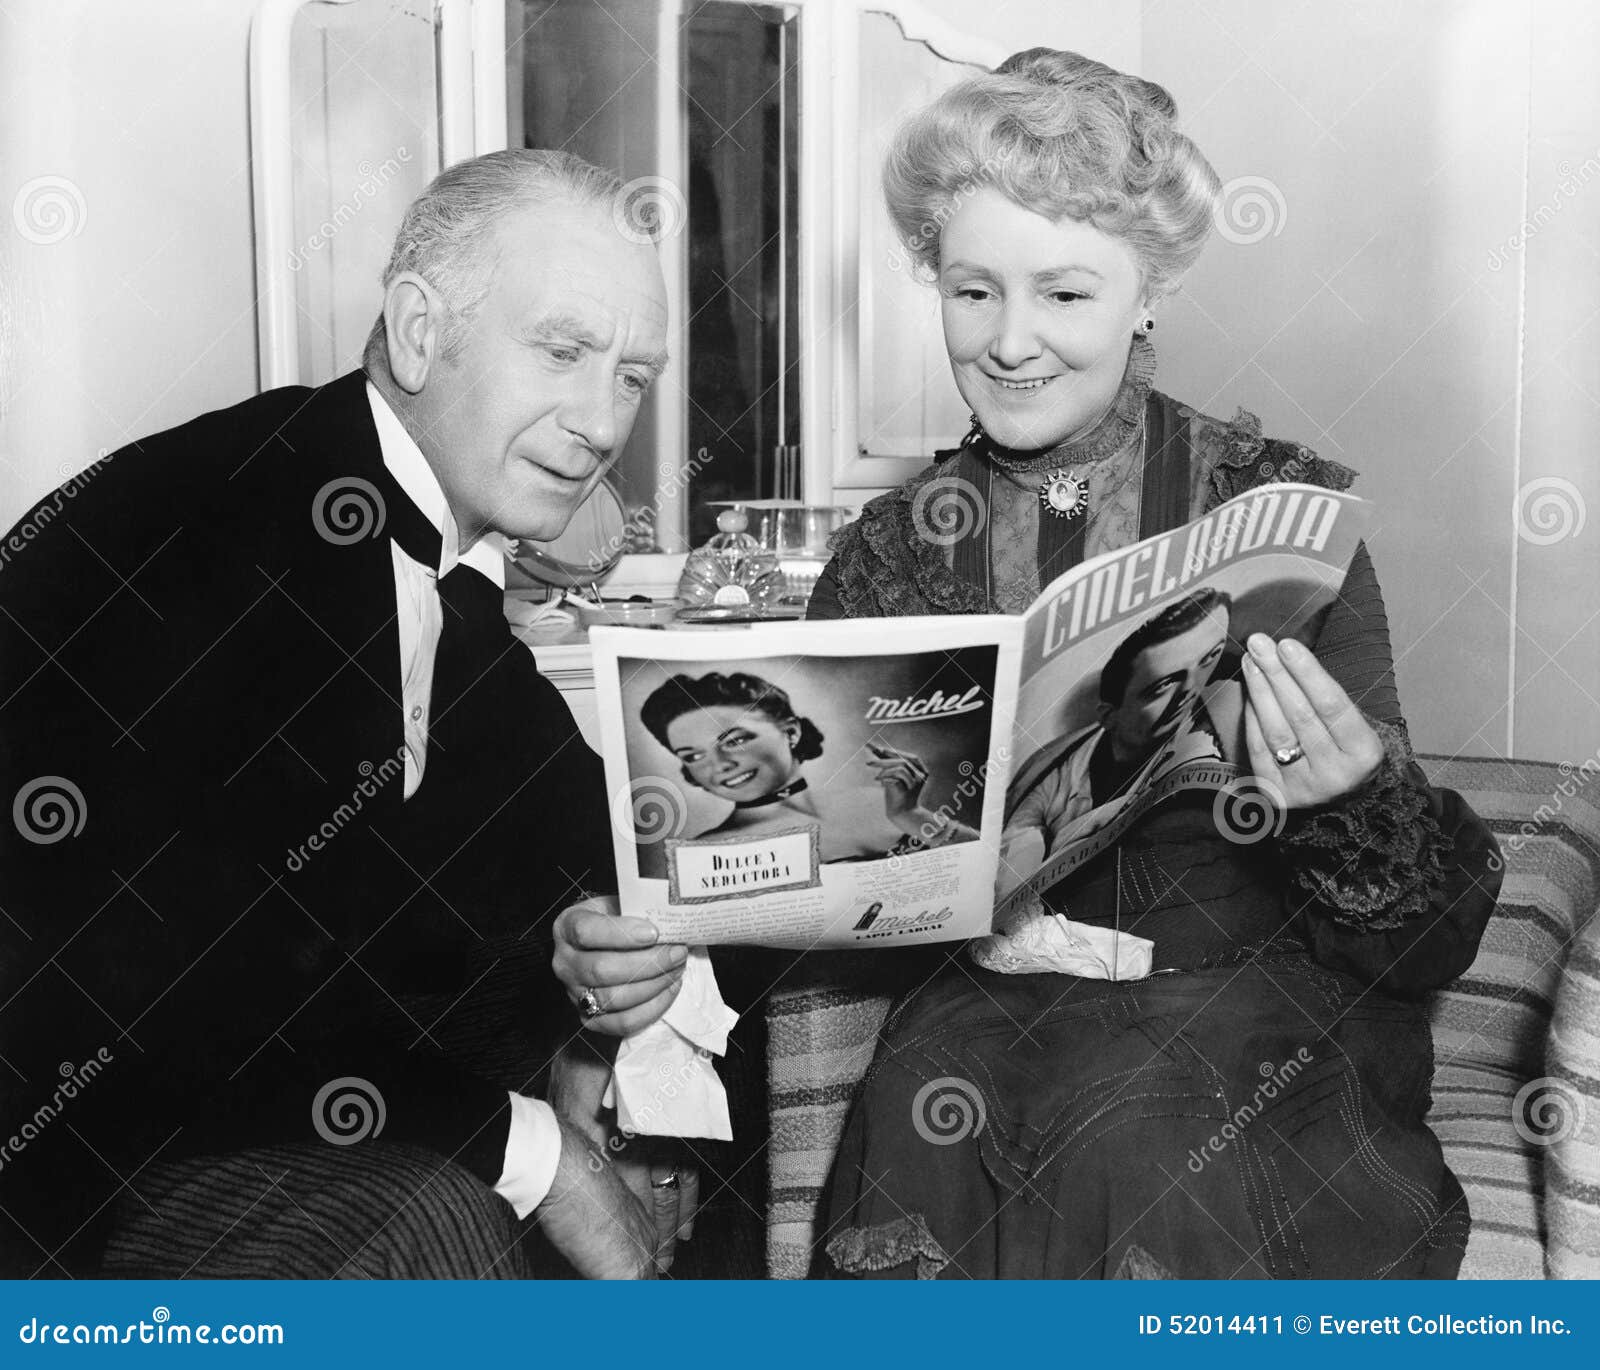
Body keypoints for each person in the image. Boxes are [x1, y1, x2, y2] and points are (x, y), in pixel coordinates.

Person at [796, 49, 1502, 1279]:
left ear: (1148, 294)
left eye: (1063, 295)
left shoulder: (1277, 514)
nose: (1009, 342)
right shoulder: (893, 552)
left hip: (1246, 1009)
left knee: (1137, 1123)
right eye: (972, 292)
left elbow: (1421, 949)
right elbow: (823, 900)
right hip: (991, 1009)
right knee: (927, 1106)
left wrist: (1348, 800)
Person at [0, 150, 688, 1279]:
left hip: (229, 1092)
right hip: (72, 1162)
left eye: (632, 377)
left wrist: (594, 960)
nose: (604, 422)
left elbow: (574, 823)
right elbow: (186, 997)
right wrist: (542, 1155)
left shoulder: (432, 555)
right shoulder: (204, 529)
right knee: (432, 1219)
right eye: (562, 352)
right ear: (418, 330)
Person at [638, 670, 978, 863]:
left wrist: (911, 816)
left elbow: (991, 870)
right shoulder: (705, 853)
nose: (720, 765)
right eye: (694, 756)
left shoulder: (879, 802)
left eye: (734, 740)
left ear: (790, 731)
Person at [1003, 587, 1232, 871]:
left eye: (1209, 658)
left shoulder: (1217, 737)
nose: (1191, 690)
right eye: (1163, 685)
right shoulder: (1056, 771)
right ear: (1110, 716)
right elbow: (1019, 841)